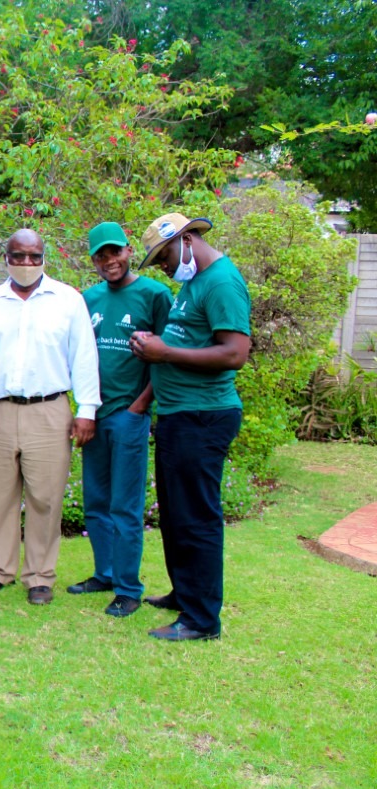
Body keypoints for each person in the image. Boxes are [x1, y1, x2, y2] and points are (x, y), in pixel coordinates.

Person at [131, 213, 251, 641]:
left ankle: (201, 620)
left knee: (197, 517)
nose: (163, 266)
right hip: (179, 414)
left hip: (203, 416)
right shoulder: (193, 283)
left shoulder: (221, 281)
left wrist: (165, 354)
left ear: (187, 240)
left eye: (163, 257)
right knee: (177, 513)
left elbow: (235, 353)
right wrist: (155, 348)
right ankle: (185, 593)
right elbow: (189, 341)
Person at [0, 229, 100, 605]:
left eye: (34, 256)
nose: (26, 263)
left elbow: (84, 357)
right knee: (0, 494)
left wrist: (87, 410)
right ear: (6, 258)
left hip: (49, 410)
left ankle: (40, 576)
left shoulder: (67, 300)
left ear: (43, 257)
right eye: (18, 256)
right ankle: (0, 570)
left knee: (45, 497)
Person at [66, 223, 173, 618]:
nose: (109, 261)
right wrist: (83, 410)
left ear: (129, 251)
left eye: (115, 252)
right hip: (94, 414)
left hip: (129, 415)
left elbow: (168, 355)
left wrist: (140, 406)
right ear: (93, 259)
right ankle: (105, 573)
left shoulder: (155, 294)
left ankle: (129, 588)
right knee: (96, 501)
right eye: (100, 255)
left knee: (125, 507)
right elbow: (78, 357)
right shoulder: (88, 299)